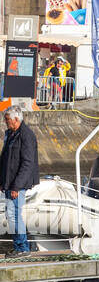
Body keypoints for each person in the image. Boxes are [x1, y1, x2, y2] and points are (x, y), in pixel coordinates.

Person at [1, 107, 40, 253]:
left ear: (16, 119)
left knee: (14, 215)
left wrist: (17, 186)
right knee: (11, 215)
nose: (5, 122)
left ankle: (23, 248)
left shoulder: (26, 135)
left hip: (18, 184)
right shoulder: (11, 134)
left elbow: (27, 163)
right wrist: (2, 181)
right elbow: (6, 159)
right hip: (9, 182)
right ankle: (19, 248)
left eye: (7, 120)